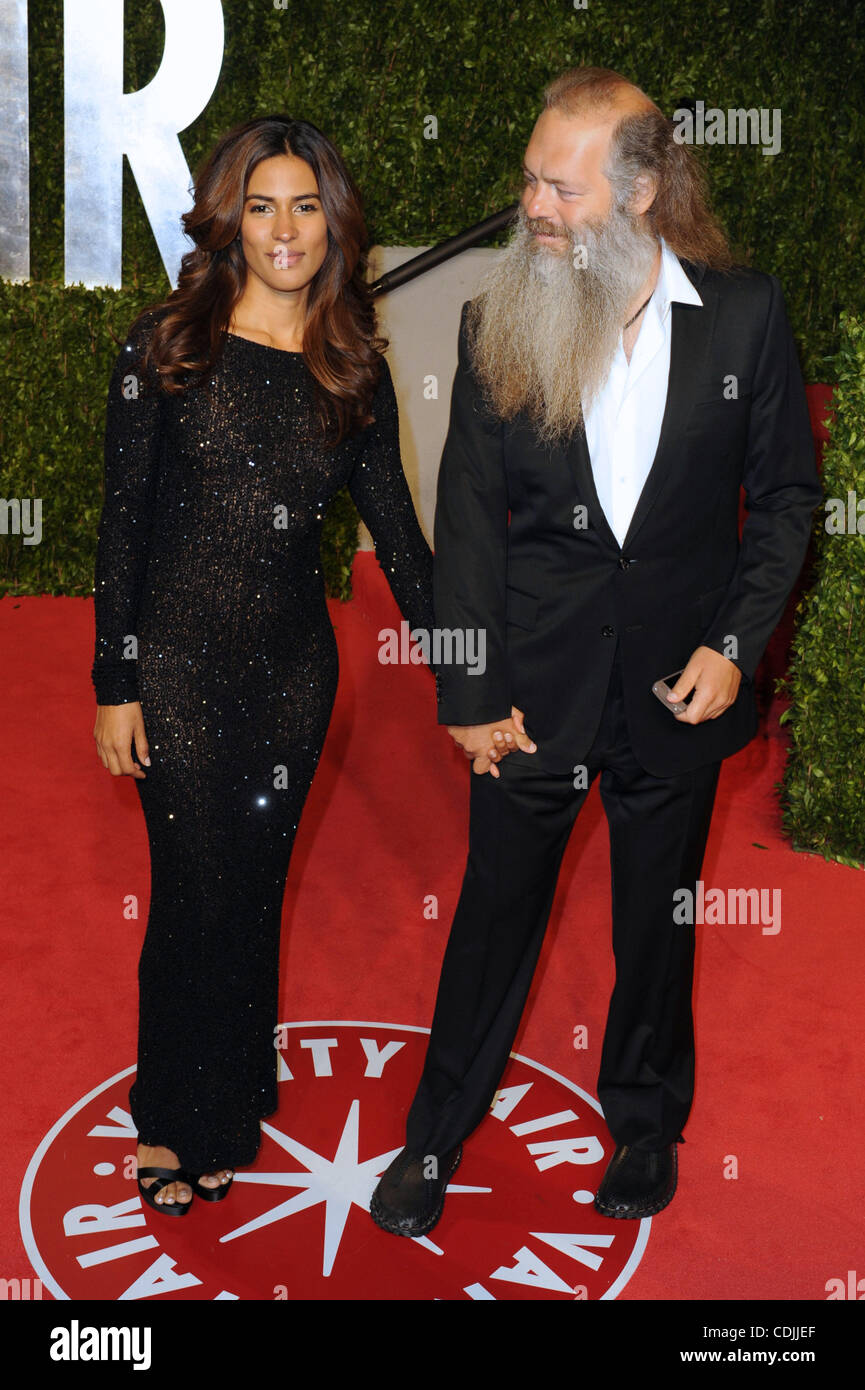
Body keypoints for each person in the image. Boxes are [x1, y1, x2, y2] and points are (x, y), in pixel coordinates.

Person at [370, 66, 822, 1236]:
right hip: (532, 692)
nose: (533, 205)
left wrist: (734, 644)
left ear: (639, 191)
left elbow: (784, 500)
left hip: (679, 690)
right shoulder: (495, 321)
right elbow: (468, 523)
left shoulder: (743, 316)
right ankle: (433, 1135)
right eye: (529, 179)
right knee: (493, 919)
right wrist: (470, 688)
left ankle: (644, 1125)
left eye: (560, 188)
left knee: (655, 926)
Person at [91, 115, 444, 1214]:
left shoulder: (351, 369)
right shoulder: (167, 348)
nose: (284, 229)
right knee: (191, 892)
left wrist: (470, 675)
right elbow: (123, 529)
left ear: (332, 224)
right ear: (230, 221)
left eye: (304, 205)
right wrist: (114, 682)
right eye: (260, 206)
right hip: (177, 674)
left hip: (293, 682)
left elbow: (402, 544)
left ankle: (232, 1094)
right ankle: (171, 1115)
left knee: (249, 894)